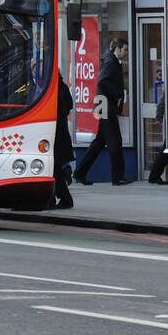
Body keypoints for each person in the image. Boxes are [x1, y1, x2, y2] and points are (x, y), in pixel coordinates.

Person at [74, 37, 131, 185]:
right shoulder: (111, 62)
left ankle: (80, 172)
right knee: (115, 142)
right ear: (117, 49)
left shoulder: (112, 61)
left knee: (99, 142)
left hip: (104, 104)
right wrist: (117, 94)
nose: (126, 52)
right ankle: (117, 177)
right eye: (125, 49)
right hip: (106, 105)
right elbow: (102, 81)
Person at [52, 75, 75, 209]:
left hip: (55, 134)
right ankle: (57, 198)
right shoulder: (62, 86)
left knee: (54, 169)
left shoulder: (52, 89)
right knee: (55, 168)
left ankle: (64, 199)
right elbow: (69, 105)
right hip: (61, 134)